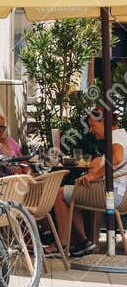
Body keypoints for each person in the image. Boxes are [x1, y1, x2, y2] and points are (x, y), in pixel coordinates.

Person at [60, 109, 127, 255]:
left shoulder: (115, 137)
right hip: (118, 194)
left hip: (112, 195)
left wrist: (93, 176)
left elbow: (116, 158)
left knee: (60, 194)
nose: (91, 130)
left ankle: (65, 244)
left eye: (92, 126)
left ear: (104, 121)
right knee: (77, 193)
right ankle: (88, 242)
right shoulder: (121, 135)